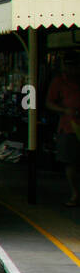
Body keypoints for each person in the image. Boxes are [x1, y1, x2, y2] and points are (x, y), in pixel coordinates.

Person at [47, 53, 80, 205]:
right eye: (68, 65)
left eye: (74, 65)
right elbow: (49, 102)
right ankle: (76, 193)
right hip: (68, 126)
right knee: (70, 160)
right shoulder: (59, 81)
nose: (71, 69)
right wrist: (65, 110)